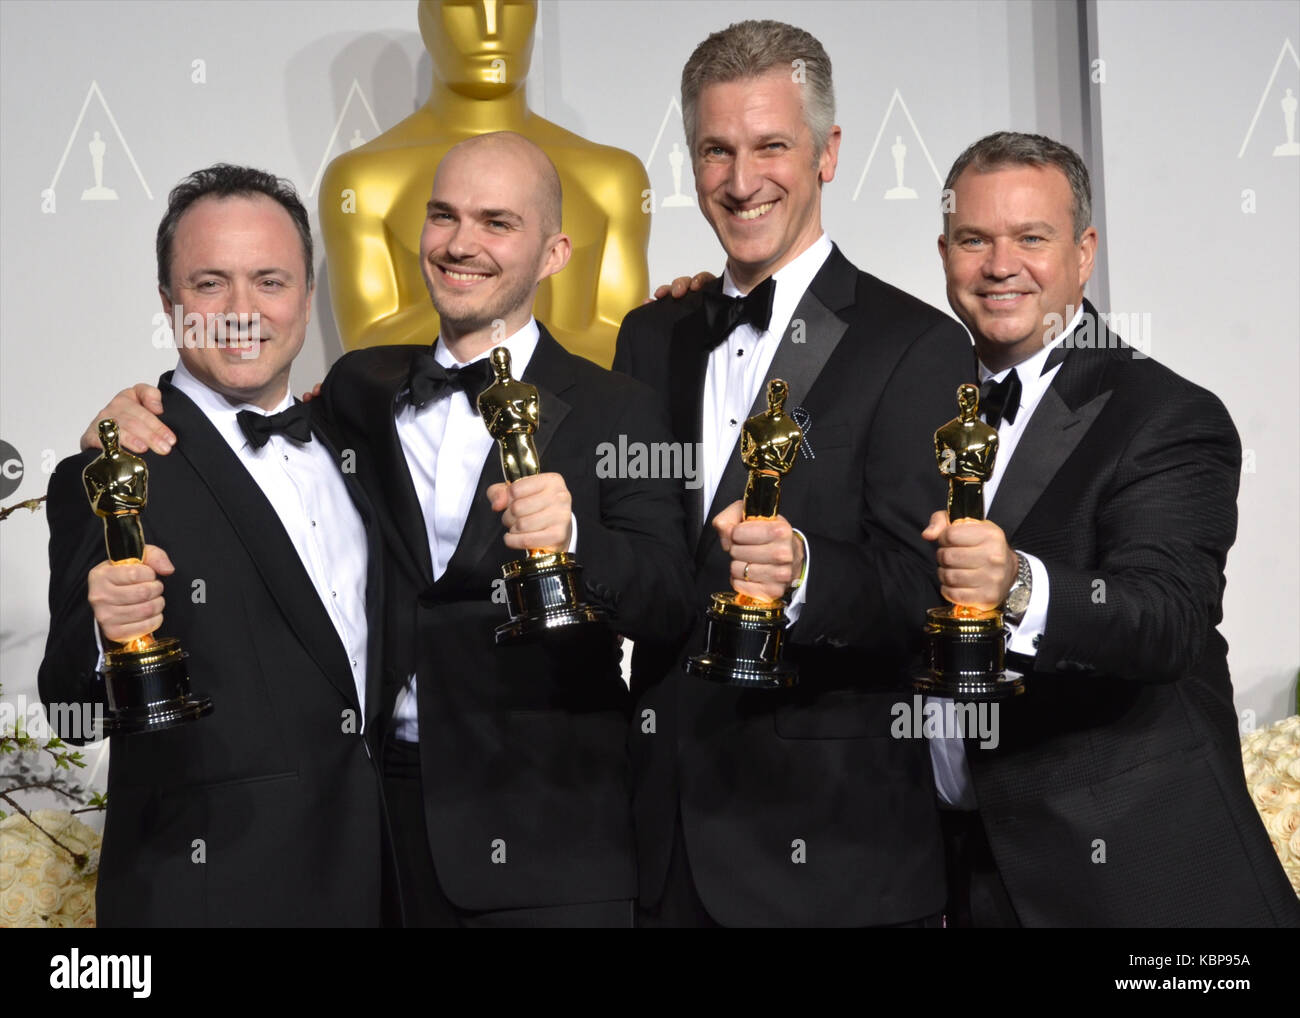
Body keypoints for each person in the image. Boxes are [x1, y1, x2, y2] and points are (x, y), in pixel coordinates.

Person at [613, 20, 972, 927]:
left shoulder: (917, 345)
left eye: (772, 144)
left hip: (834, 849)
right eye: (716, 150)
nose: (742, 181)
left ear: (829, 153)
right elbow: (645, 553)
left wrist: (803, 573)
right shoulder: (652, 335)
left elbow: (927, 587)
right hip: (665, 843)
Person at [315, 130, 692, 927]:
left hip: (550, 827)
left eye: (496, 223)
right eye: (443, 216)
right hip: (379, 818)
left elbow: (669, 600)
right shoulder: (361, 386)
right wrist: (145, 409)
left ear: (554, 253)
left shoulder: (617, 407)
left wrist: (581, 542)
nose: (459, 245)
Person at [923, 130, 1300, 927]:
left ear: (1084, 251)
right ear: (944, 250)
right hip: (958, 880)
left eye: (1032, 237)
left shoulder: (1166, 415)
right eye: (973, 239)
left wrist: (1020, 584)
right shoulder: (912, 404)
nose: (1000, 265)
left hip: (1141, 882)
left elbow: (1166, 620)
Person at [40, 165, 387, 926]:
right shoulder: (111, 472)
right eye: (209, 283)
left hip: (383, 885)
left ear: (306, 294)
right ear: (168, 303)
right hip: (208, 897)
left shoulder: (359, 442)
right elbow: (69, 713)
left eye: (269, 280)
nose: (241, 310)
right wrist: (104, 634)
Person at [318, 0, 650, 366]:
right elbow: (371, 353)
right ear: (426, 17)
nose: (491, 28)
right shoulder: (362, 181)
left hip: (581, 420)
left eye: (512, 4)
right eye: (463, 5)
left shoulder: (613, 178)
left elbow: (628, 346)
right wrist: (509, 302)